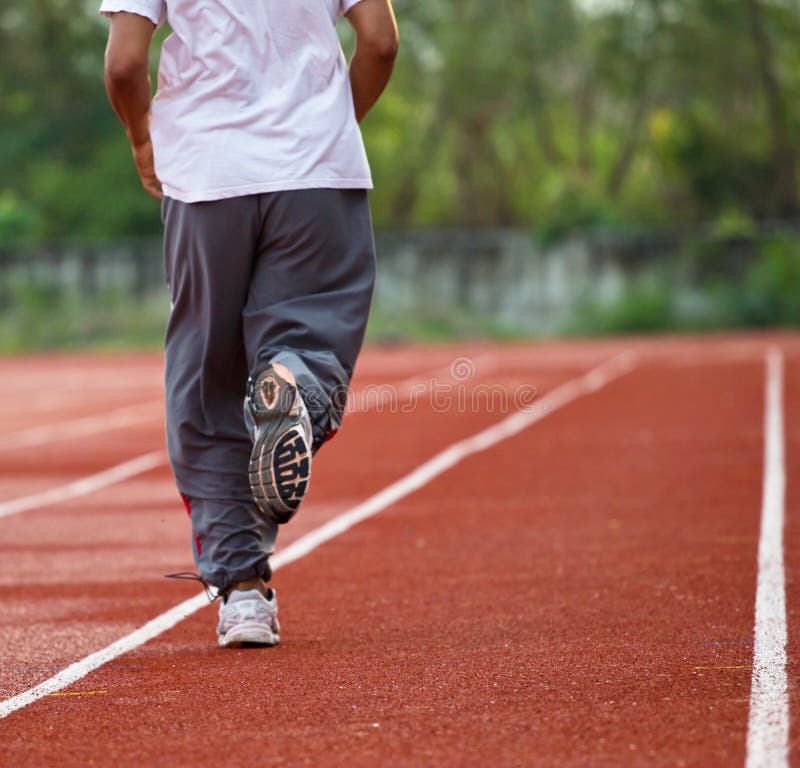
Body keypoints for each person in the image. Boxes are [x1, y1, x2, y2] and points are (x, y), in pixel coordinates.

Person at [101, 0, 398, 647]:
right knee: (309, 340)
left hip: (206, 174)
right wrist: (328, 130)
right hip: (318, 176)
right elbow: (378, 42)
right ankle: (292, 382)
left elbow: (125, 63)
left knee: (208, 383)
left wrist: (142, 138)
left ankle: (242, 594)